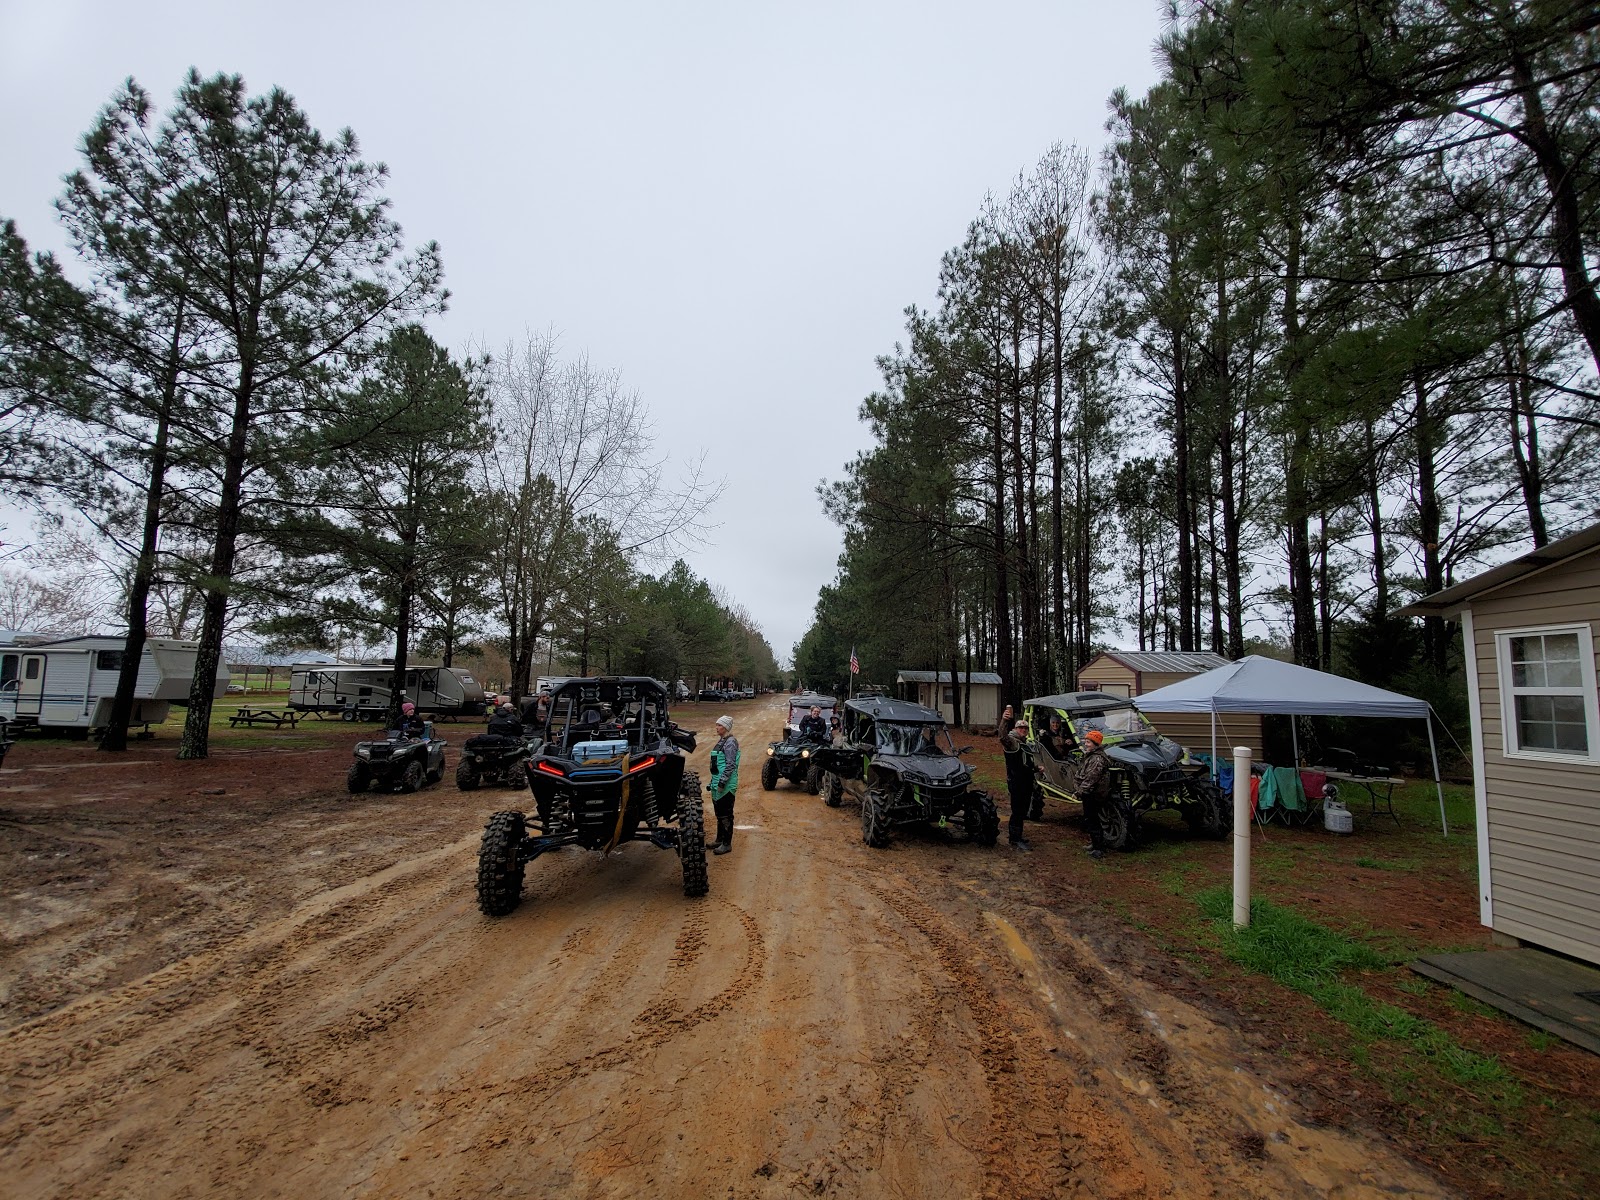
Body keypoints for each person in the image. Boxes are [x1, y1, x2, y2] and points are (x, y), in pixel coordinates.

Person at [1076, 729, 1112, 859]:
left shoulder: (1097, 759)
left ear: (1096, 743)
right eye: (1086, 741)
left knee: (1093, 820)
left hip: (1093, 794)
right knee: (1091, 819)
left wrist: (1080, 791)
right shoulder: (1092, 755)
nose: (1086, 744)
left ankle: (1098, 848)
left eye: (1089, 742)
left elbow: (1091, 778)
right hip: (1090, 793)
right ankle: (1095, 843)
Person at [708, 715, 740, 855]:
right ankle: (719, 839)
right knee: (719, 813)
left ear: (726, 727)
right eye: (716, 725)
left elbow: (730, 764)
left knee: (726, 814)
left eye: (719, 725)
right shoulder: (722, 741)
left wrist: (722, 782)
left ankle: (726, 844)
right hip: (717, 782)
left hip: (726, 784)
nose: (717, 728)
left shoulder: (731, 742)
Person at [1000, 718, 1033, 849]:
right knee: (1017, 810)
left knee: (1023, 810)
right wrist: (1004, 720)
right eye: (1020, 728)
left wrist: (1036, 768)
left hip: (1026, 781)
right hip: (1016, 782)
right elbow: (1002, 736)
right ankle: (1015, 839)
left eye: (1025, 728)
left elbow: (1025, 763)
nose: (1023, 730)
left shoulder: (1024, 743)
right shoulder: (1012, 742)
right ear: (1015, 729)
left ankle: (1018, 836)